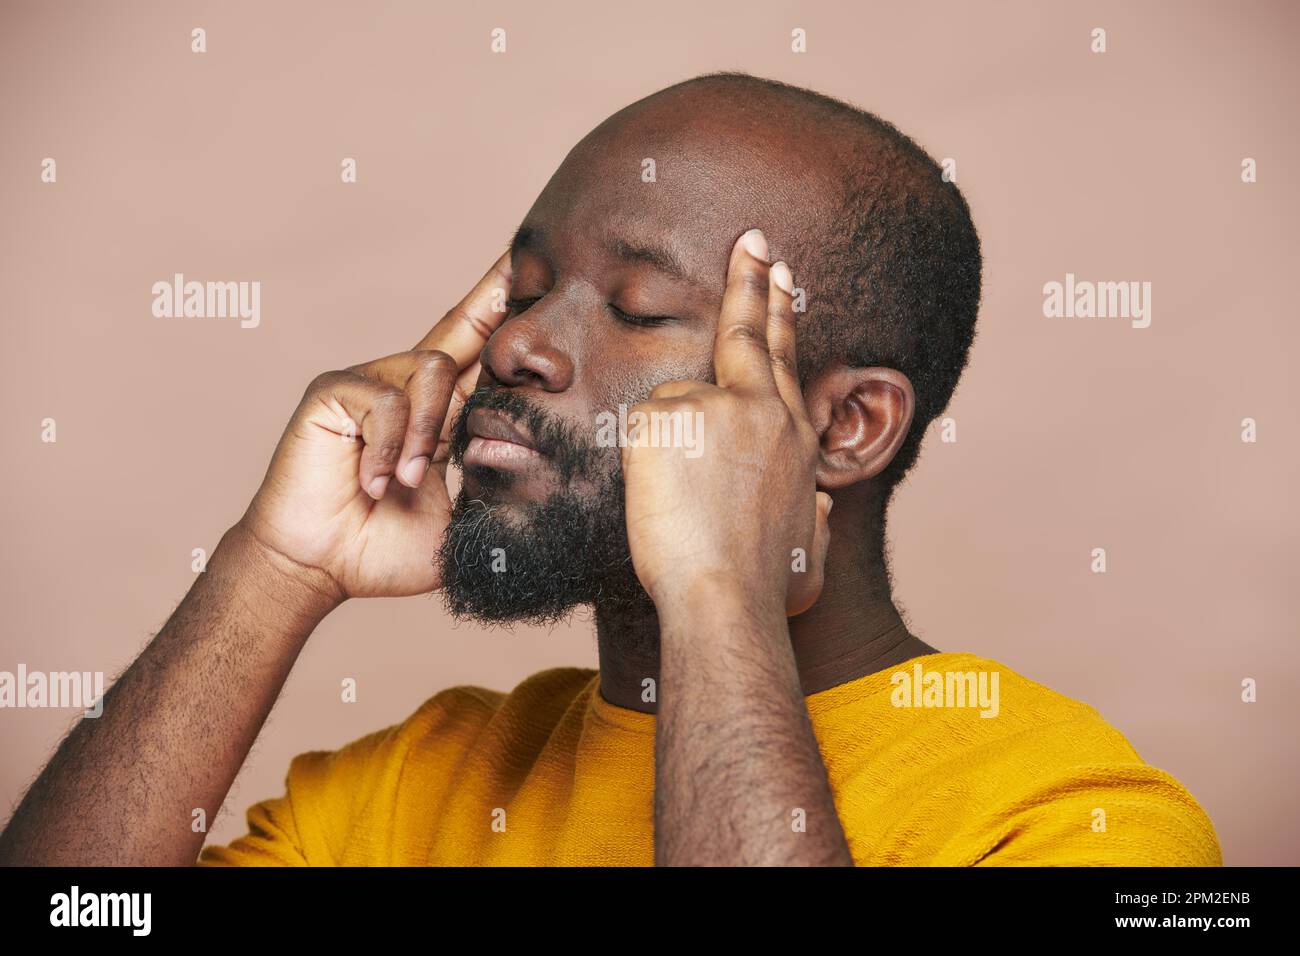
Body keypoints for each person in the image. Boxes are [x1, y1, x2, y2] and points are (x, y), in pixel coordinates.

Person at [0, 72, 1221, 867]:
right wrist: (274, 570)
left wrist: (716, 594)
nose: (517, 346)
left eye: (636, 309)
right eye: (526, 293)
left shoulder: (1081, 820)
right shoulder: (412, 787)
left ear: (846, 428)